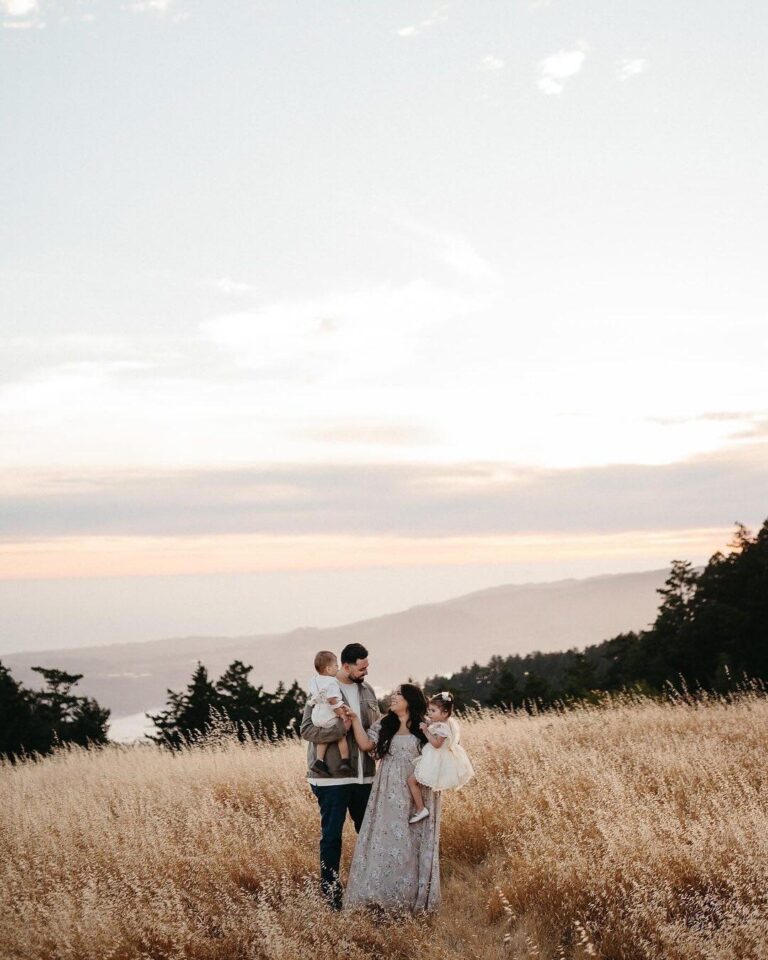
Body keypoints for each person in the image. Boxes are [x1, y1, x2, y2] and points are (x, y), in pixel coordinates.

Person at [344, 683, 441, 914]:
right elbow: (367, 745)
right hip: (388, 789)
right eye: (394, 693)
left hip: (418, 789)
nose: (393, 697)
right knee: (389, 840)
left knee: (413, 841)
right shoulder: (383, 724)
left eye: (399, 694)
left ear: (410, 699)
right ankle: (382, 898)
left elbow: (441, 753)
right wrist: (356, 720)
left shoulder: (425, 726)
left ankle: (409, 900)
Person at [300, 642, 380, 910]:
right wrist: (340, 731)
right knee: (332, 837)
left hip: (364, 778)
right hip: (331, 779)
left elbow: (376, 727)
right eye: (362, 667)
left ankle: (371, 891)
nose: (366, 672)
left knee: (368, 835)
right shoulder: (322, 688)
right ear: (345, 667)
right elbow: (307, 730)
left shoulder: (368, 691)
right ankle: (332, 897)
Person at [406, 690, 475, 823]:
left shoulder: (442, 727)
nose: (429, 713)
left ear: (444, 713)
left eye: (433, 711)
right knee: (414, 781)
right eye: (429, 710)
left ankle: (421, 809)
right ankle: (421, 808)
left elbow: (437, 744)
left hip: (435, 760)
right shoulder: (446, 723)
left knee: (411, 781)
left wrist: (426, 731)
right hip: (434, 758)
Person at [308, 651, 353, 777]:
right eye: (335, 666)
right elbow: (331, 699)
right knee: (341, 735)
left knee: (324, 737)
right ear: (328, 669)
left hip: (316, 714)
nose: (337, 668)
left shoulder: (314, 679)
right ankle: (345, 761)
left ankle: (319, 761)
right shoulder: (331, 682)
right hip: (328, 713)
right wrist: (341, 714)